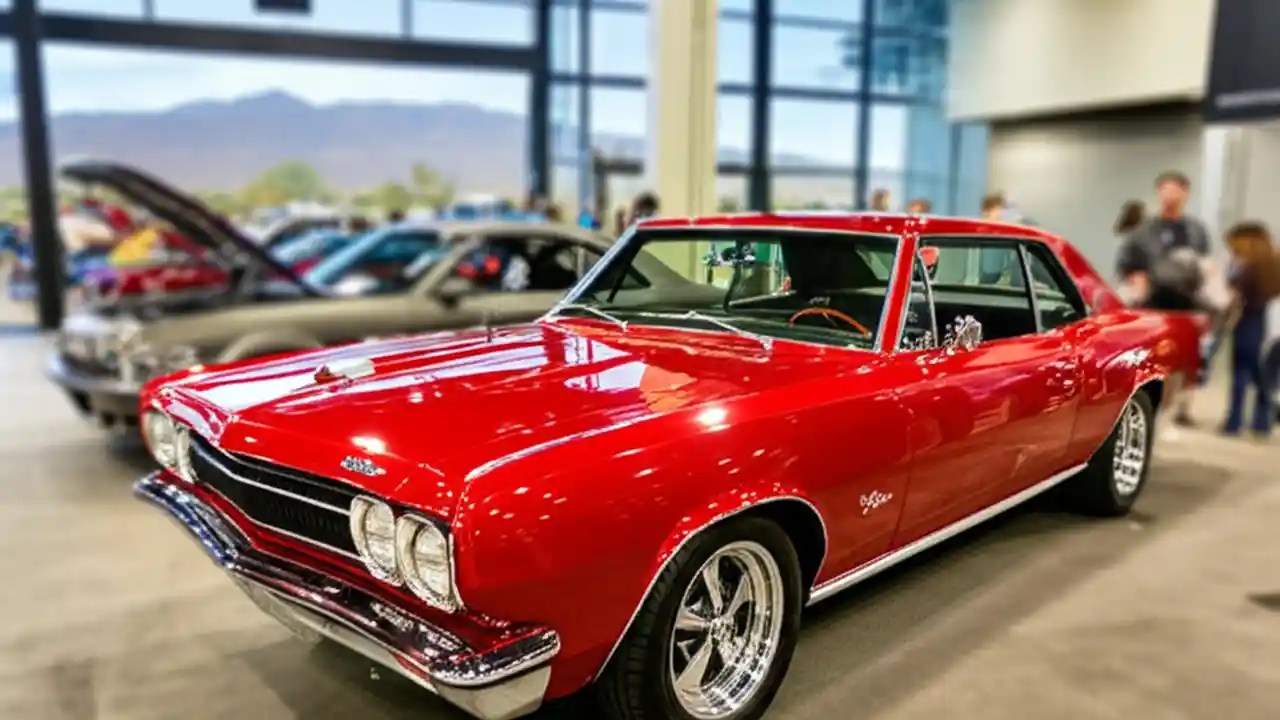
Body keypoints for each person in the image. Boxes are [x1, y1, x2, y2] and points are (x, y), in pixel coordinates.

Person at [1116, 171, 1212, 426]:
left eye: (1175, 189)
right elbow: (1126, 262)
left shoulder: (1196, 231)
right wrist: (1135, 277)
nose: (1169, 195)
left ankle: (1181, 409)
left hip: (1187, 305)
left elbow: (1203, 265)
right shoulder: (1145, 231)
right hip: (1153, 306)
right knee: (1155, 359)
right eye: (1164, 190)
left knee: (1187, 361)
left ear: (1185, 193)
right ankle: (1153, 406)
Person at [1214, 222, 1280, 436]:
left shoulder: (1244, 267)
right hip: (1274, 326)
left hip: (1250, 321)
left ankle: (1234, 422)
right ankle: (1262, 422)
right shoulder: (1274, 264)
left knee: (1241, 371)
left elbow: (1232, 296)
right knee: (1265, 376)